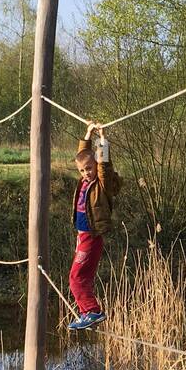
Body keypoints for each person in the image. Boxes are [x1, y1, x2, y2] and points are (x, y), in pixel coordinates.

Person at [69, 122, 122, 330]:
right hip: (84, 235)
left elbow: (103, 165)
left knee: (75, 278)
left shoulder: (101, 183)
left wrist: (102, 138)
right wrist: (88, 134)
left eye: (89, 169)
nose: (86, 173)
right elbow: (83, 155)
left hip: (91, 235)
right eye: (82, 171)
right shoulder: (83, 180)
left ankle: (92, 311)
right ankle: (88, 313)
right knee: (84, 277)